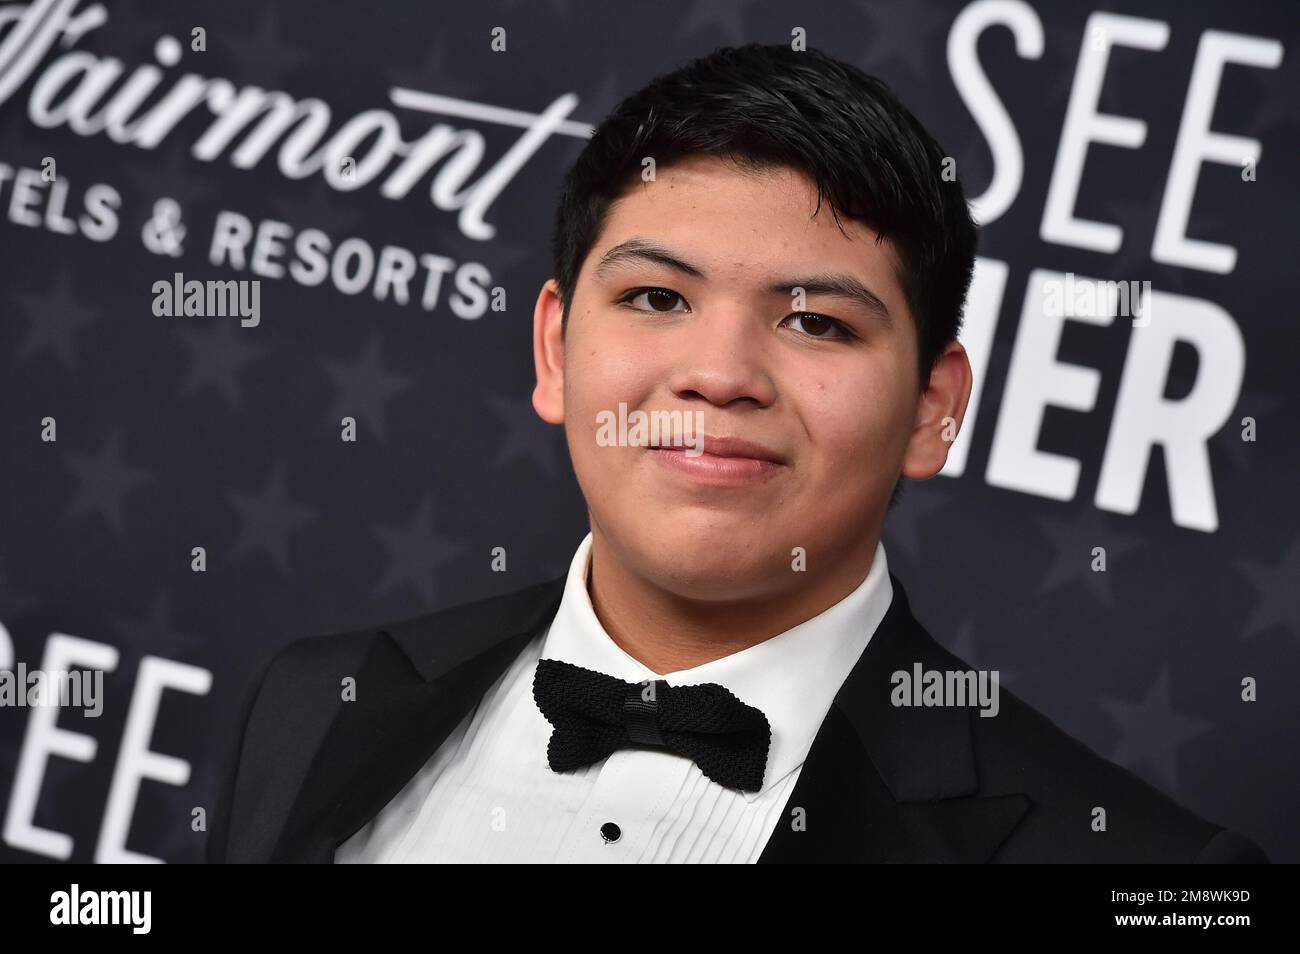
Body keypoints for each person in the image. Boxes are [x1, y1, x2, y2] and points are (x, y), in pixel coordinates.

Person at [207, 43, 1267, 863]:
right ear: (554, 351)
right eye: (656, 298)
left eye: (815, 322)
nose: (720, 374)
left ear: (931, 410)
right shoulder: (314, 701)